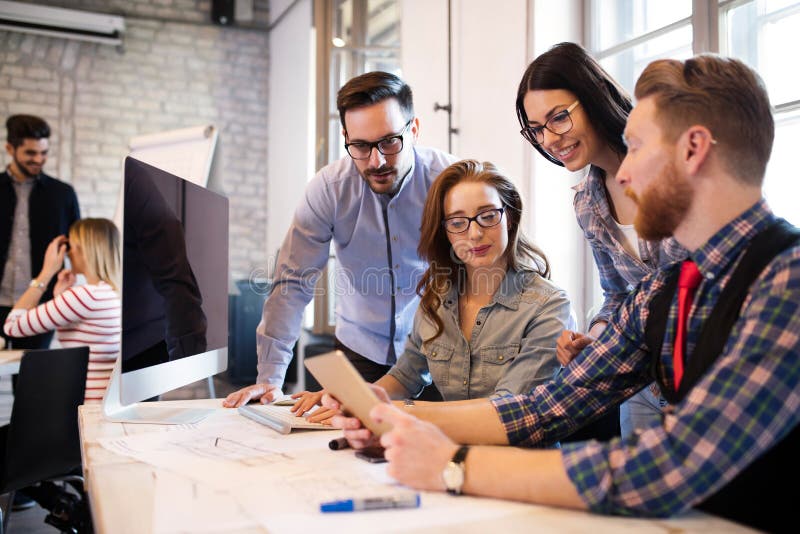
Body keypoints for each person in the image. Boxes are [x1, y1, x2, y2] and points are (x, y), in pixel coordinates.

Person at [325, 55, 799, 532]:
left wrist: (455, 466)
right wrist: (393, 417)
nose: (623, 174)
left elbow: (668, 466)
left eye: (634, 147)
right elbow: (546, 406)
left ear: (693, 149)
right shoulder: (663, 290)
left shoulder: (788, 279)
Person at [223, 71, 457, 408]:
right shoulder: (328, 190)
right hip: (360, 352)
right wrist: (270, 379)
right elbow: (292, 283)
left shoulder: (450, 182)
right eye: (360, 146)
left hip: (438, 355)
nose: (377, 161)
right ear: (346, 136)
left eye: (390, 141)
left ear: (414, 129)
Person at [294, 159, 573, 419]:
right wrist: (354, 399)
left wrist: (390, 410)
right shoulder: (437, 298)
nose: (474, 234)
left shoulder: (548, 305)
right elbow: (406, 376)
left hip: (518, 464)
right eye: (458, 222)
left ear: (509, 216)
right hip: (447, 455)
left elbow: (507, 411)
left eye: (488, 216)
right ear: (445, 232)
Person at [516, 42, 685, 439]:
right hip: (644, 387)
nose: (550, 140)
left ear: (593, 98)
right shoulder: (587, 202)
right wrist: (592, 337)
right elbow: (617, 295)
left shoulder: (671, 165)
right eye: (536, 129)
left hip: (704, 380)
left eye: (558, 118)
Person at [4, 218, 121, 403]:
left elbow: (12, 327)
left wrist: (46, 272)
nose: (68, 255)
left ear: (85, 250)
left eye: (71, 247)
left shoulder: (85, 296)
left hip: (83, 408)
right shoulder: (110, 293)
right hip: (103, 402)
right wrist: (61, 294)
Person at [1, 114, 81, 352]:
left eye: (44, 153)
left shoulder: (63, 194)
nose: (39, 159)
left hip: (41, 307)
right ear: (10, 148)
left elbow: (79, 247)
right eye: (30, 153)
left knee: (30, 382)